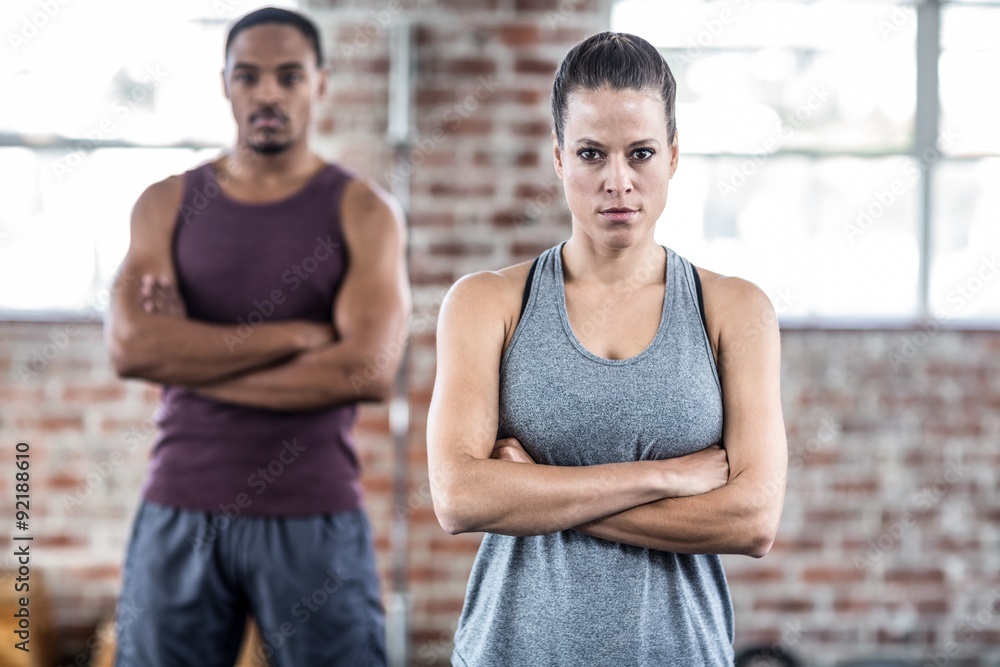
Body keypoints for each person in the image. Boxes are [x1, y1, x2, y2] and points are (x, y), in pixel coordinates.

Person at [427, 32, 787, 665]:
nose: (617, 182)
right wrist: (664, 478)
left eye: (641, 153)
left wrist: (534, 492)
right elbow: (459, 498)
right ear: (560, 159)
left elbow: (752, 520)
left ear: (673, 156)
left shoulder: (734, 309)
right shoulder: (487, 303)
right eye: (592, 154)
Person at [105, 7, 410, 666]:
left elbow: (366, 373)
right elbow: (132, 347)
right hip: (180, 505)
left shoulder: (363, 211)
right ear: (225, 84)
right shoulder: (166, 203)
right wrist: (298, 335)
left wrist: (189, 355)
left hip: (315, 512)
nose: (268, 93)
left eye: (288, 76)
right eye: (248, 76)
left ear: (320, 83)